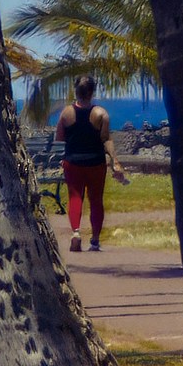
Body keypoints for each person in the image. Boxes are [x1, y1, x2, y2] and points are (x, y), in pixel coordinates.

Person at [58, 79, 115, 254]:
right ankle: (95, 240)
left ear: (76, 91)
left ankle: (76, 232)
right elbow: (105, 139)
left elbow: (59, 137)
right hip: (96, 162)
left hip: (73, 161)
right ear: (92, 92)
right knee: (96, 200)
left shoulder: (66, 113)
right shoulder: (100, 113)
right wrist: (114, 161)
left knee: (75, 197)